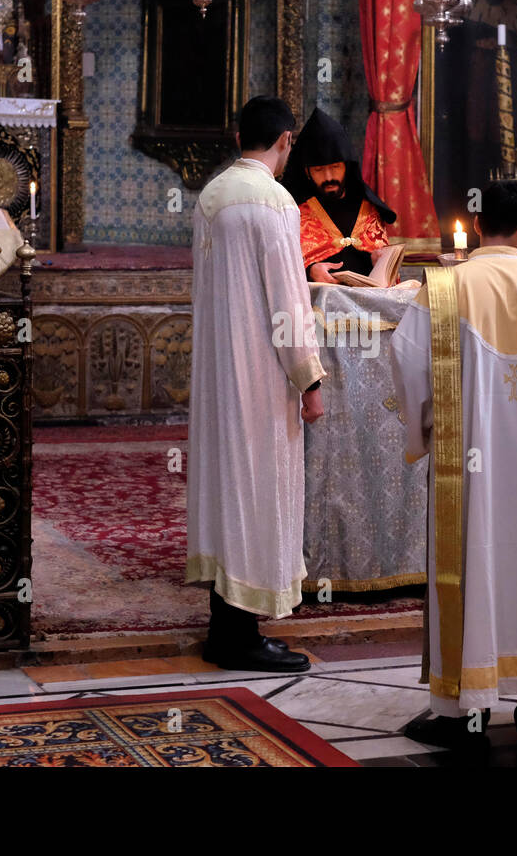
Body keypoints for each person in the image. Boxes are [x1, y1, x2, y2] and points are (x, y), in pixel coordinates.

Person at [391, 180, 517, 754]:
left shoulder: (446, 288)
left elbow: (406, 358)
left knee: (470, 567)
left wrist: (425, 426)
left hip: (469, 463)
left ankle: (462, 711)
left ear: (478, 225)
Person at [186, 96, 326, 673]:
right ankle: (241, 637)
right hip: (262, 374)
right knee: (260, 492)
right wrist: (309, 378)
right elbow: (289, 302)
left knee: (228, 493)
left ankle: (226, 627)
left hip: (220, 368)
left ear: (240, 134)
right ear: (286, 141)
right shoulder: (275, 201)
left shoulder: (213, 194)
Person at [281, 107, 397, 283]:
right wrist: (309, 272)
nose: (328, 177)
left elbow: (386, 273)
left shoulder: (368, 208)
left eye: (335, 167)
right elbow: (280, 268)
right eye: (319, 170)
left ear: (347, 166)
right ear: (307, 172)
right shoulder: (293, 211)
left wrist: (380, 262)